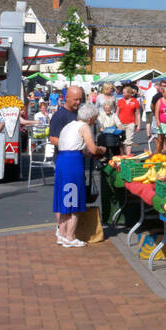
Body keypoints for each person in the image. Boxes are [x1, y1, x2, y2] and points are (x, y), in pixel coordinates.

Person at [54, 101, 105, 248]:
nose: (95, 121)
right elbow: (93, 149)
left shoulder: (69, 125)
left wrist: (88, 154)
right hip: (73, 164)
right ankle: (70, 237)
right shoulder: (84, 127)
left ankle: (62, 235)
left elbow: (79, 148)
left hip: (62, 161)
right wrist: (101, 149)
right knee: (74, 201)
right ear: (90, 118)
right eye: (94, 118)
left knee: (63, 200)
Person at [116, 85, 142, 154]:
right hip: (120, 124)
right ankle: (122, 154)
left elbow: (138, 114)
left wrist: (138, 125)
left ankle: (128, 154)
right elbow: (117, 113)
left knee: (129, 140)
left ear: (129, 93)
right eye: (123, 92)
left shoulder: (135, 101)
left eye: (124, 93)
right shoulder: (120, 101)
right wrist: (115, 123)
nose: (123, 94)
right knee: (121, 140)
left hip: (131, 123)